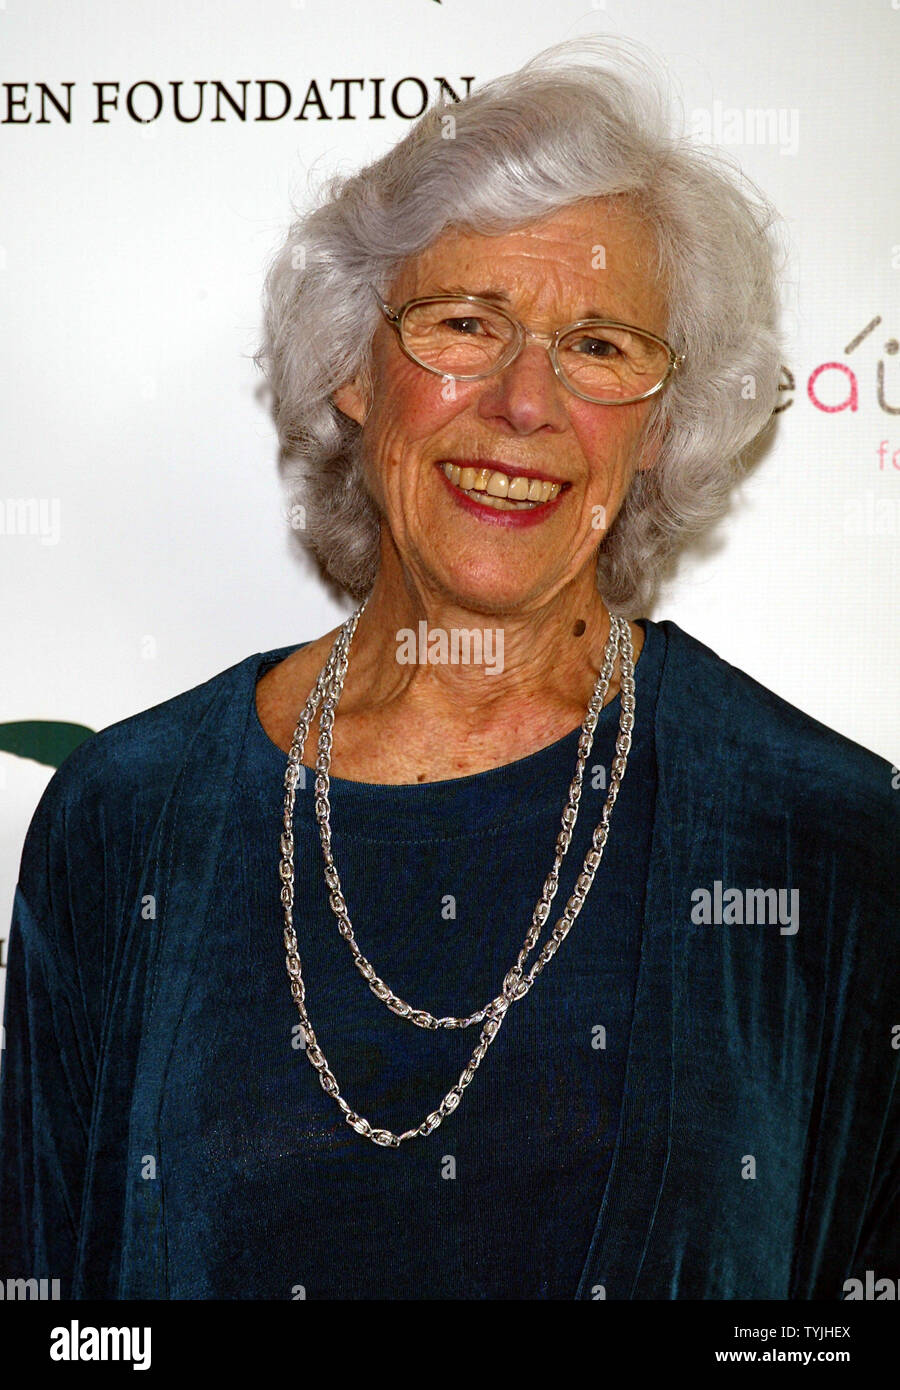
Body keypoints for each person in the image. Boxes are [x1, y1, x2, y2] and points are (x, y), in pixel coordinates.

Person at [0, 39, 895, 1301]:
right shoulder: (126, 819)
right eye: (465, 324)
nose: (526, 404)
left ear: (658, 426)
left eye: (598, 345)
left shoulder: (827, 839)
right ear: (353, 372)